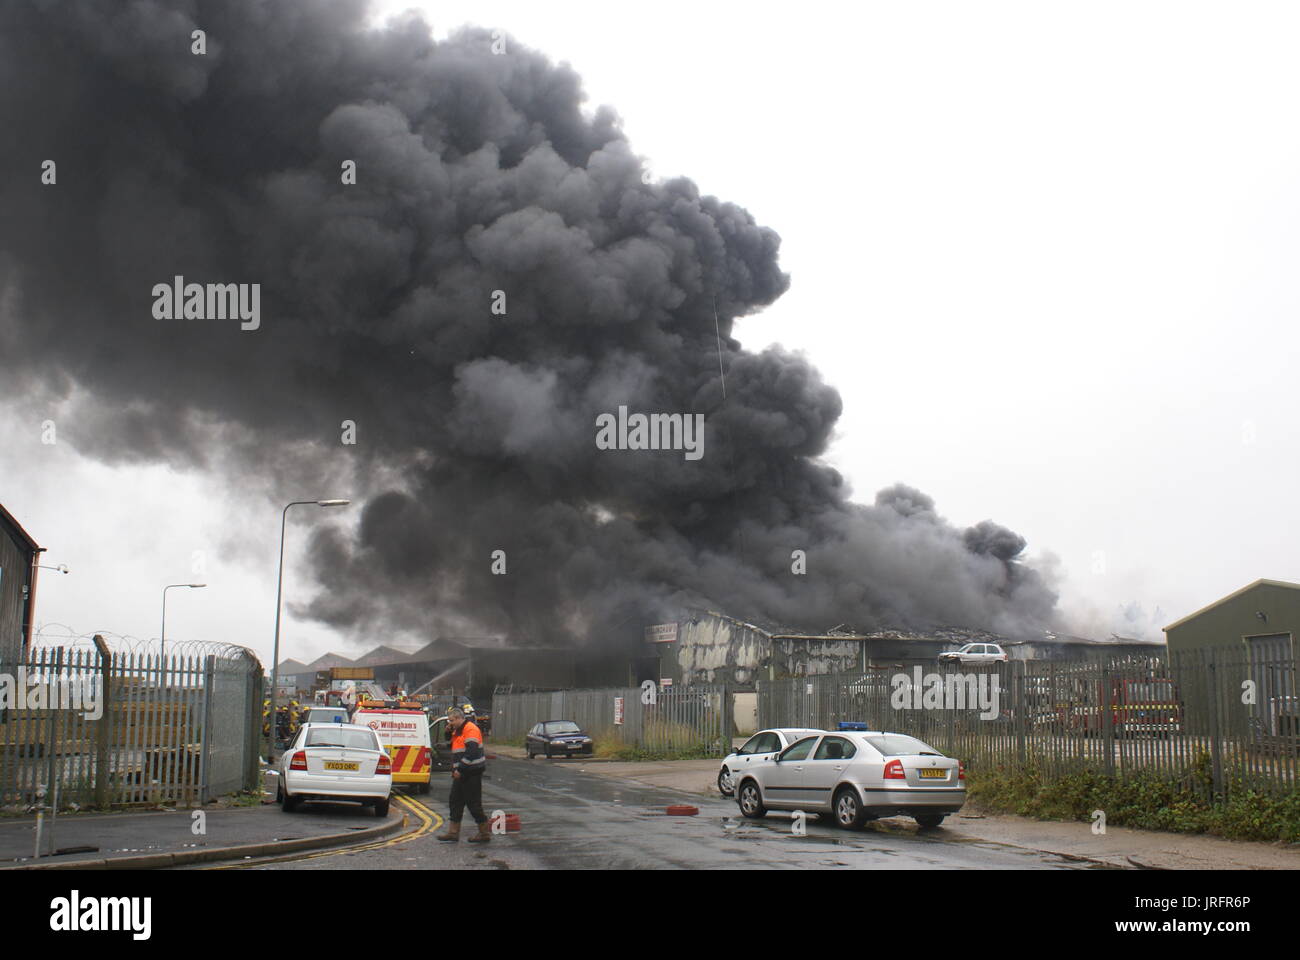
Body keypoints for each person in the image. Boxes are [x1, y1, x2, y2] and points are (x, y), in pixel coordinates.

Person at [437, 707, 489, 843]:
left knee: (474, 804)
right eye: (449, 720)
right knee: (455, 801)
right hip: (462, 772)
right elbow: (451, 746)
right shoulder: (458, 730)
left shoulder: (470, 729)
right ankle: (453, 832)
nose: (450, 723)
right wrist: (448, 733)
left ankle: (484, 833)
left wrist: (460, 770)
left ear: (460, 718)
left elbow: (471, 753)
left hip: (471, 772)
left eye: (452, 720)